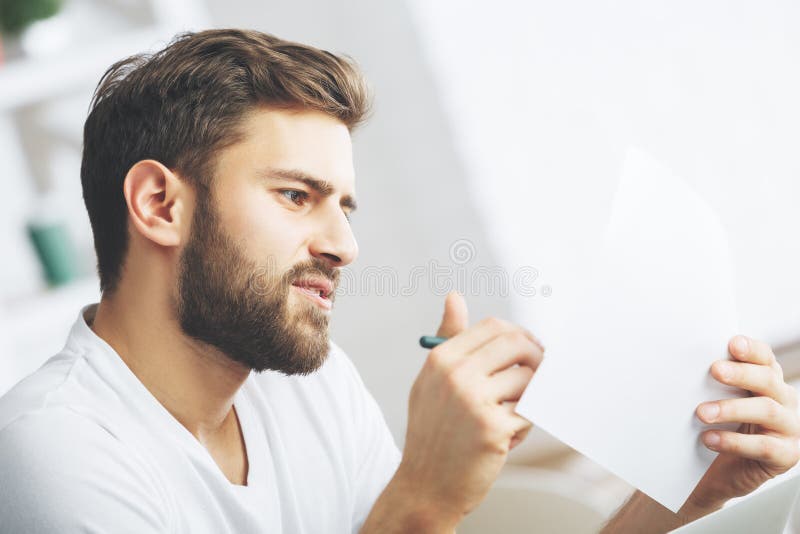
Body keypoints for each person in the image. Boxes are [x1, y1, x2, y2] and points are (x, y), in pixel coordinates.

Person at [0, 29, 797, 534]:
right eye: (295, 196)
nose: (344, 244)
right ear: (159, 203)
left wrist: (681, 497)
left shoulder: (305, 388)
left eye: (345, 205)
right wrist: (424, 497)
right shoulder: (54, 457)